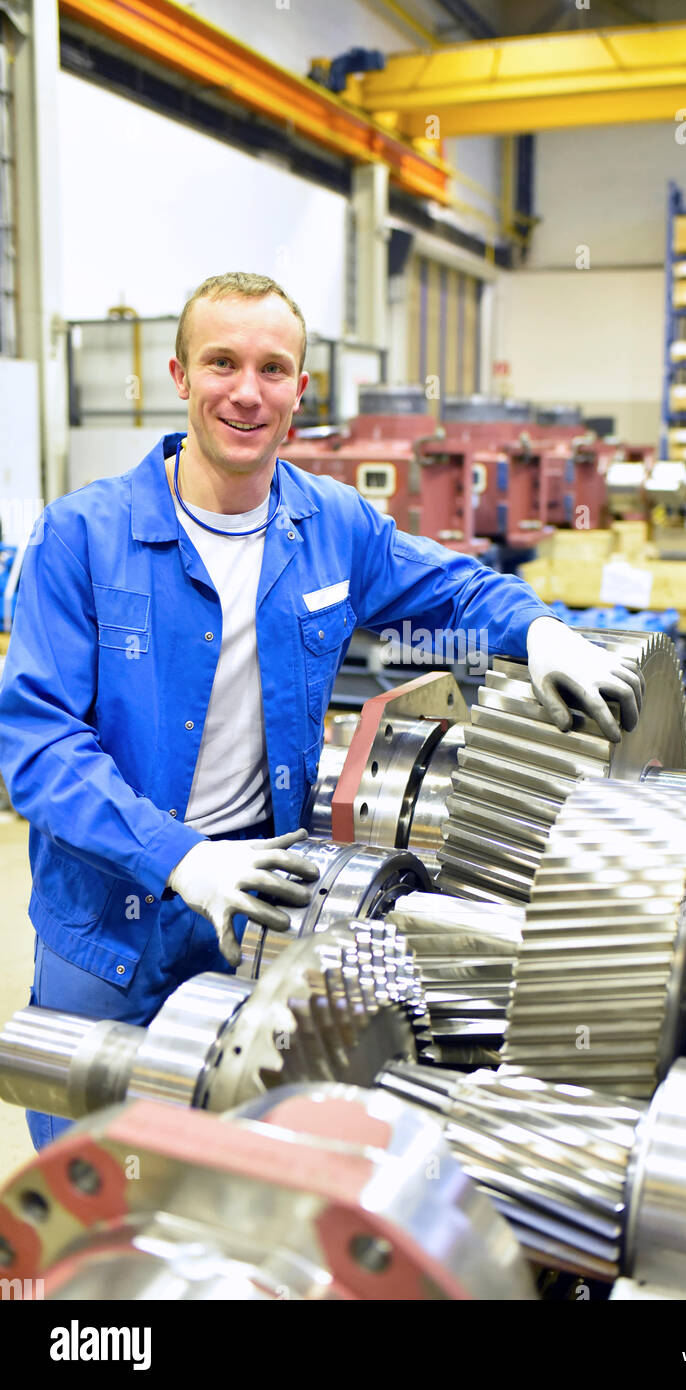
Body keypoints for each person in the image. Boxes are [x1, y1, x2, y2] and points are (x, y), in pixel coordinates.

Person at [0, 271, 644, 1150]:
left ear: (300, 392)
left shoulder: (329, 524)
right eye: (222, 362)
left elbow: (450, 590)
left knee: (232, 1176)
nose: (247, 391)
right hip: (110, 925)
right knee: (96, 1186)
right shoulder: (83, 535)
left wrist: (536, 633)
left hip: (262, 906)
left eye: (273, 369)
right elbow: (37, 747)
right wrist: (178, 856)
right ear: (179, 376)